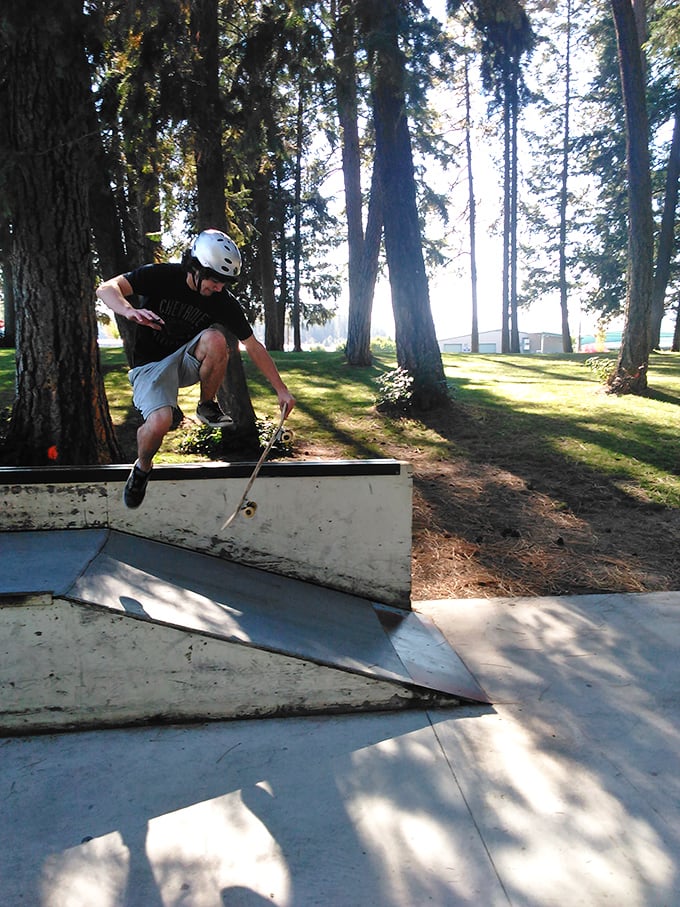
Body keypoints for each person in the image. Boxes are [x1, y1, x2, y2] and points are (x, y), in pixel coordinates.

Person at [96, 229, 295, 509]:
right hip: (150, 367)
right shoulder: (161, 276)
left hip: (186, 360)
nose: (218, 288)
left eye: (225, 283)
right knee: (159, 423)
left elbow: (253, 345)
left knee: (216, 338)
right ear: (196, 267)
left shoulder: (222, 301)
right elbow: (106, 288)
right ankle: (142, 468)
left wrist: (281, 390)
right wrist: (129, 311)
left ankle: (206, 404)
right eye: (214, 280)